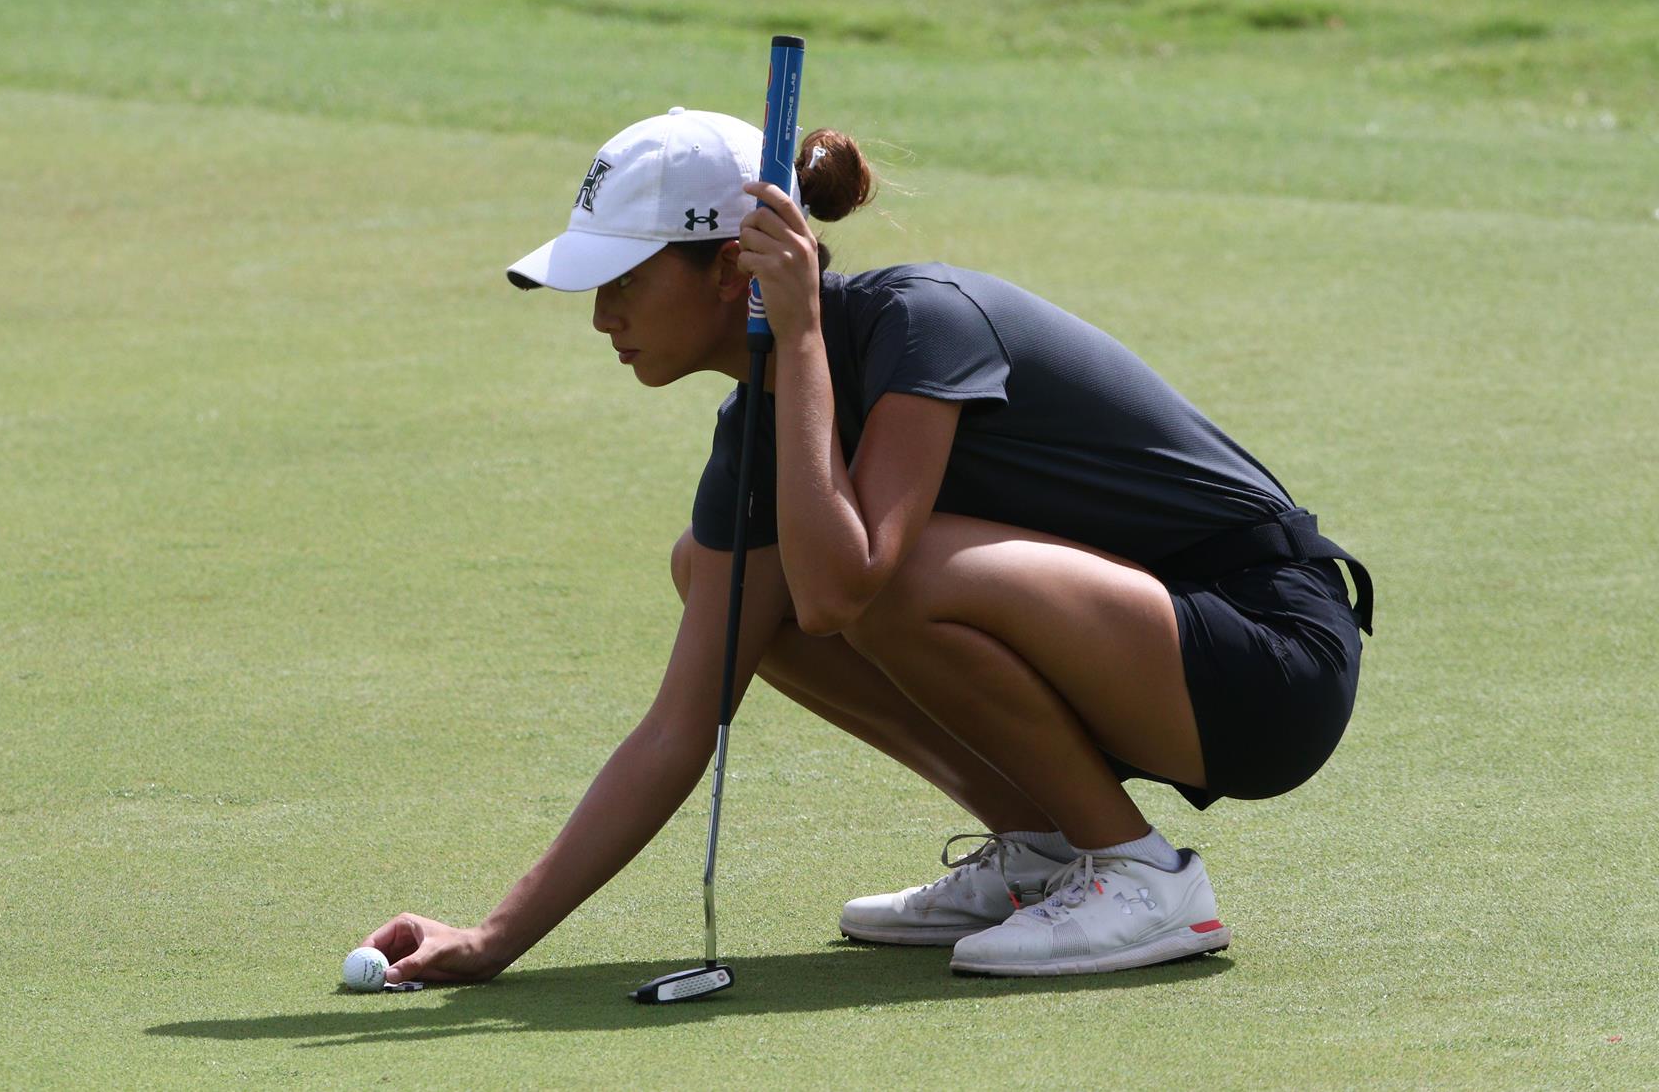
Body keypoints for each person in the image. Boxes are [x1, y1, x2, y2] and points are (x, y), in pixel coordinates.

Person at [361, 106, 1371, 982]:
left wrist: (796, 336)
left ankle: (1140, 879)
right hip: (1148, 653)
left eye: (623, 279)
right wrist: (493, 938)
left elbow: (850, 587)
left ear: (733, 268)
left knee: (874, 575)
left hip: (1265, 657)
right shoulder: (754, 437)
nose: (600, 319)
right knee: (722, 581)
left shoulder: (917, 323)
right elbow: (678, 725)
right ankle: (1042, 847)